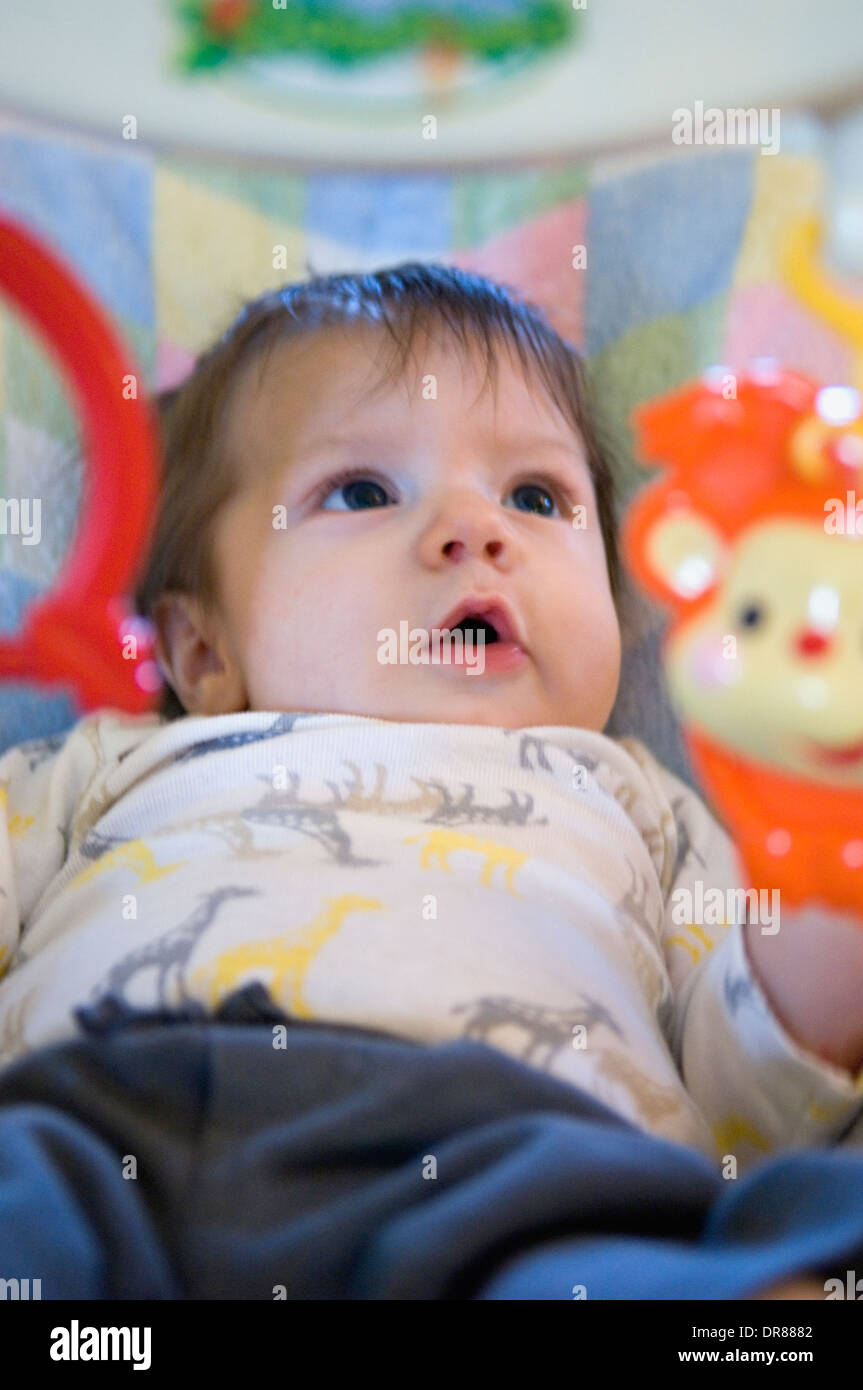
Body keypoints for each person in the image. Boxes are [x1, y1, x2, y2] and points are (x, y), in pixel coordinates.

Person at [0, 264, 861, 1300]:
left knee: (771, 1258)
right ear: (200, 652)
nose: (475, 530)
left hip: (524, 1168)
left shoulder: (638, 803)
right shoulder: (104, 761)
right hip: (114, 1124)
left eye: (535, 497)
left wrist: (824, 859)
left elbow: (747, 1099)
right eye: (361, 490)